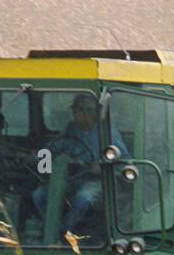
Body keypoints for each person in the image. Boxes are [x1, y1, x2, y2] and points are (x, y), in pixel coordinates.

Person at [32, 94, 129, 236]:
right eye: (76, 111)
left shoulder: (108, 132)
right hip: (72, 178)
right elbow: (56, 146)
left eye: (79, 111)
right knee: (39, 195)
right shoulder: (72, 128)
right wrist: (39, 155)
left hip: (98, 181)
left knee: (81, 199)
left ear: (90, 112)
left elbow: (124, 163)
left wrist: (101, 167)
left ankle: (64, 235)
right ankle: (50, 230)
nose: (76, 115)